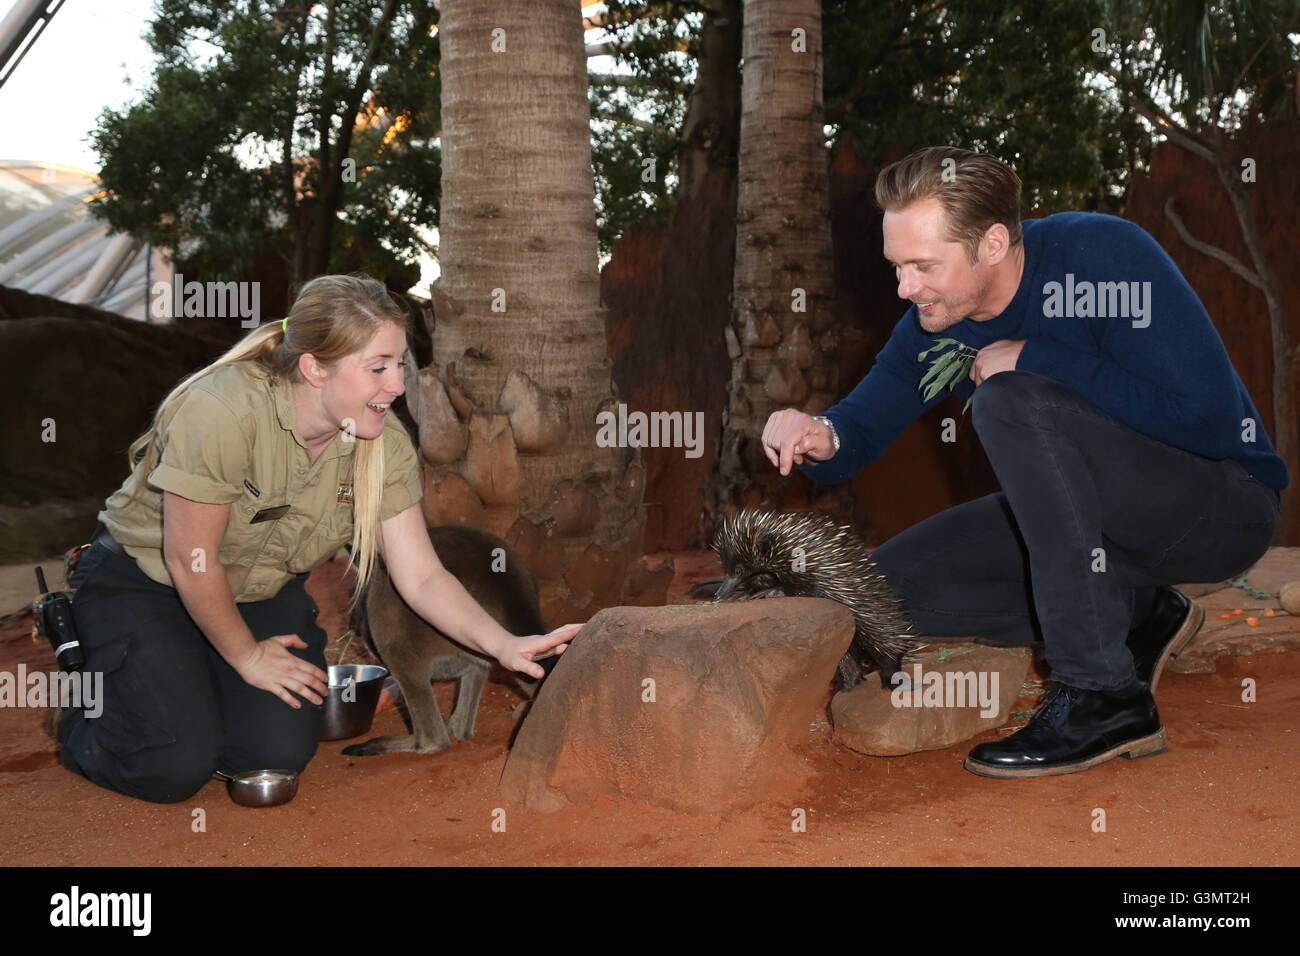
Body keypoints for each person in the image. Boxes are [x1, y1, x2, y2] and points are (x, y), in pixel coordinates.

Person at [761, 146, 1286, 778]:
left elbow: (1208, 420)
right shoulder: (936, 318)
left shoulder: (1103, 259)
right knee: (878, 595)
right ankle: (1141, 611)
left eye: (924, 266)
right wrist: (819, 434)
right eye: (897, 266)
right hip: (1105, 529)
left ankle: (1103, 696)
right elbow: (860, 427)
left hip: (1220, 505)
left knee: (1009, 399)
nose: (906, 288)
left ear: (991, 243)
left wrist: (1036, 357)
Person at [55, 274, 580, 803]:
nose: (397, 385)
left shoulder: (381, 443)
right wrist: (246, 656)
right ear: (314, 368)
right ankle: (83, 719)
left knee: (272, 757)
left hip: (257, 592)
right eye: (378, 367)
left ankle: (191, 688)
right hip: (151, 583)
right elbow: (190, 559)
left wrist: (504, 645)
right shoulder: (225, 411)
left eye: (400, 364)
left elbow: (421, 576)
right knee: (173, 765)